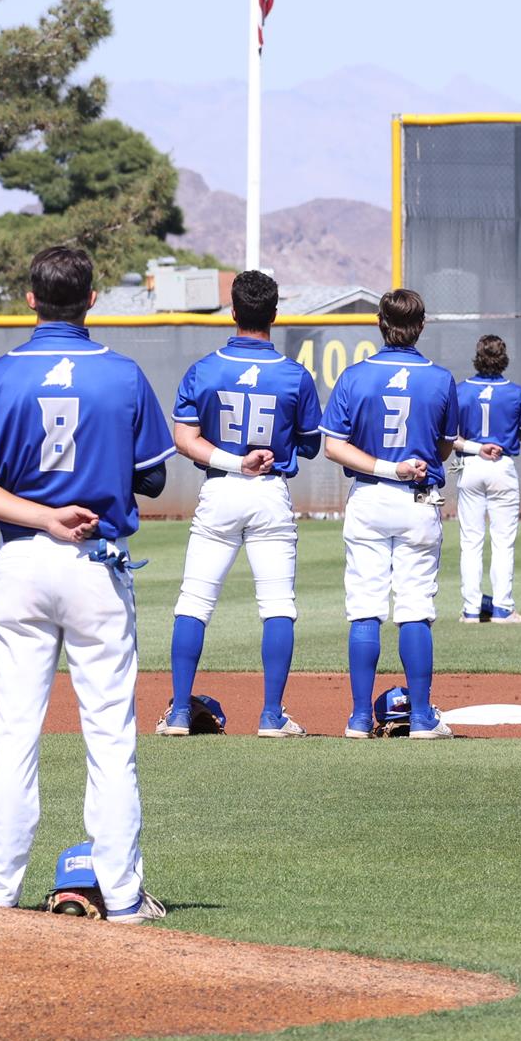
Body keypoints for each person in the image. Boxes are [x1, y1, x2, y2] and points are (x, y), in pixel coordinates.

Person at [0, 246, 176, 922]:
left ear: (30, 299)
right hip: (97, 562)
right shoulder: (124, 375)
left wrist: (41, 512)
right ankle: (125, 898)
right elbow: (155, 476)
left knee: (14, 735)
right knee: (109, 738)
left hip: (21, 561)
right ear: (94, 298)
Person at [161, 270, 323, 737]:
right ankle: (271, 715)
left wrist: (234, 461)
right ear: (274, 315)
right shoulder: (294, 375)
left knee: (194, 599)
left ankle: (177, 713)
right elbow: (310, 445)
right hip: (269, 491)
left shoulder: (204, 369)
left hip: (220, 489)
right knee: (277, 605)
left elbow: (184, 439)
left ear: (232, 311)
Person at [319, 288, 460, 739]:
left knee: (365, 608)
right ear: (420, 325)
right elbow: (443, 445)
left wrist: (384, 466)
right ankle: (420, 717)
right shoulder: (440, 378)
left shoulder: (355, 376)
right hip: (418, 497)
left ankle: (360, 717)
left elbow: (333, 446)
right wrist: (407, 463)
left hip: (369, 495)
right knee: (415, 607)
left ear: (380, 323)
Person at [451, 334, 521, 625]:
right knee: (502, 542)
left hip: (471, 464)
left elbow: (451, 437)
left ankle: (471, 609)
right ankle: (502, 608)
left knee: (471, 541)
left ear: (477, 358)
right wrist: (508, 430)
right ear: (504, 359)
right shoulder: (515, 392)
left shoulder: (461, 391)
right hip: (501, 466)